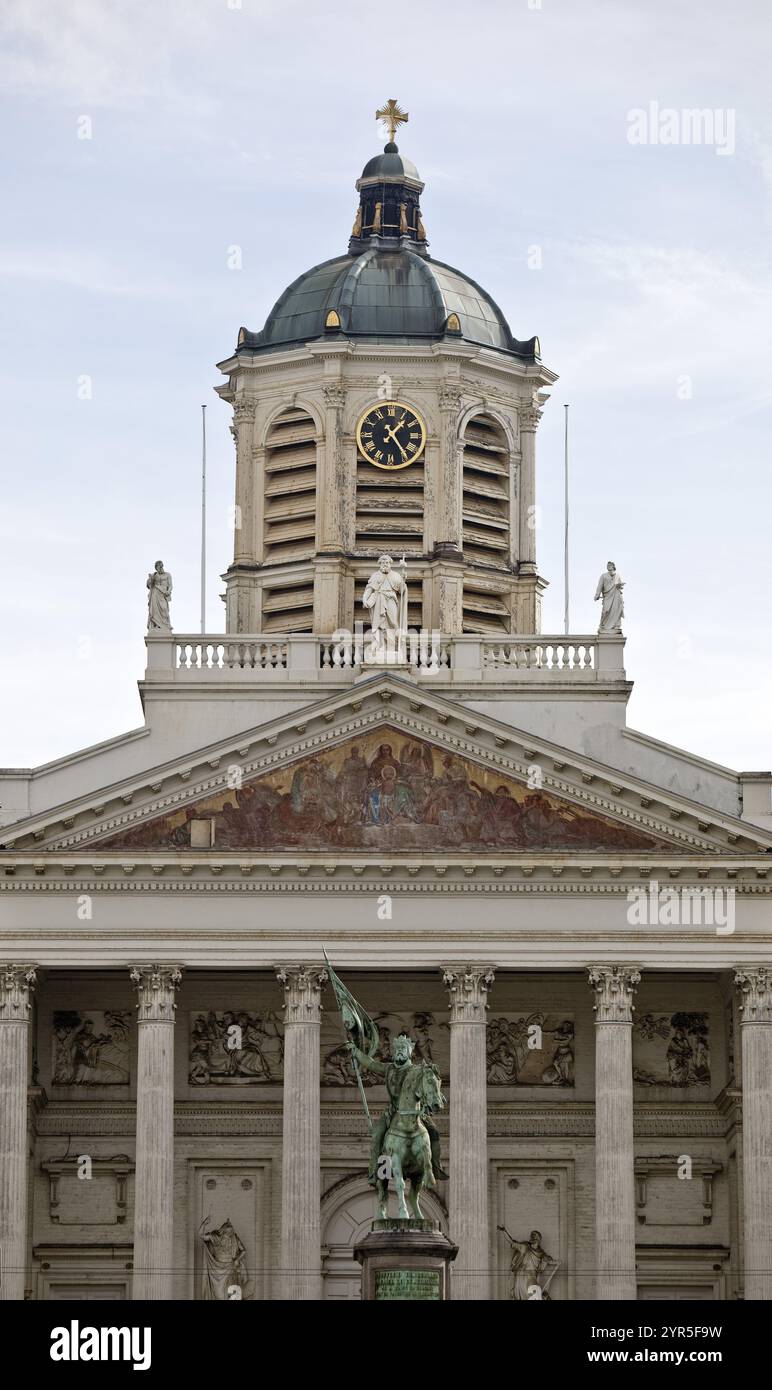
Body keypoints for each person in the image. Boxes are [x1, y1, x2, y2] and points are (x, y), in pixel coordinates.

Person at [348, 1032, 448, 1185]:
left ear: (410, 1052)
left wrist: (432, 1100)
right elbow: (371, 1064)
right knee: (377, 1135)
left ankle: (435, 1167)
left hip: (416, 1112)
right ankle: (375, 1172)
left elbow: (431, 1085)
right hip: (393, 1111)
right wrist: (356, 1052)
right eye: (398, 1049)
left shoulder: (417, 1070)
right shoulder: (389, 1069)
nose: (400, 1051)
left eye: (403, 1048)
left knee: (433, 1132)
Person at [498, 1227, 558, 1300]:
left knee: (534, 1294)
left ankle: (544, 1297)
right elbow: (512, 1242)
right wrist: (504, 1231)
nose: (532, 1239)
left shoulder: (541, 1253)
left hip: (532, 1277)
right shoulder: (525, 1247)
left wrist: (548, 1260)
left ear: (538, 1240)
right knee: (530, 1295)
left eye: (535, 1237)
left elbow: (549, 1259)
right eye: (532, 1237)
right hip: (522, 1276)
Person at [363, 555, 406, 653]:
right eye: (383, 563)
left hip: (391, 599)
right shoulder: (375, 576)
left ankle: (393, 645)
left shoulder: (396, 575)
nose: (385, 564)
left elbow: (402, 591)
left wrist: (403, 578)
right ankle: (381, 645)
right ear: (380, 564)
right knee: (380, 624)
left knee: (393, 622)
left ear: (390, 564)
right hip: (379, 599)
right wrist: (365, 599)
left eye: (387, 562)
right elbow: (369, 589)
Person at [594, 560, 624, 633]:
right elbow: (600, 586)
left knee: (616, 610)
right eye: (607, 565)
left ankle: (616, 625)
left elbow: (620, 586)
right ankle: (603, 625)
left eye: (610, 565)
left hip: (616, 595)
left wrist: (619, 586)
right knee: (605, 611)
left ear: (613, 567)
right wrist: (597, 594)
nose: (608, 566)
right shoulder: (603, 576)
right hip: (607, 596)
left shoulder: (617, 575)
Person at [147, 560, 172, 630]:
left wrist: (168, 591)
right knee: (154, 611)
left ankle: (166, 625)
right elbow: (149, 585)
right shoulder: (154, 575)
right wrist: (151, 579)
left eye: (160, 567)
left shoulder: (167, 575)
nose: (159, 569)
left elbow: (170, 585)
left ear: (162, 566)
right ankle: (156, 625)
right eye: (157, 568)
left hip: (163, 594)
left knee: (164, 609)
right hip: (155, 594)